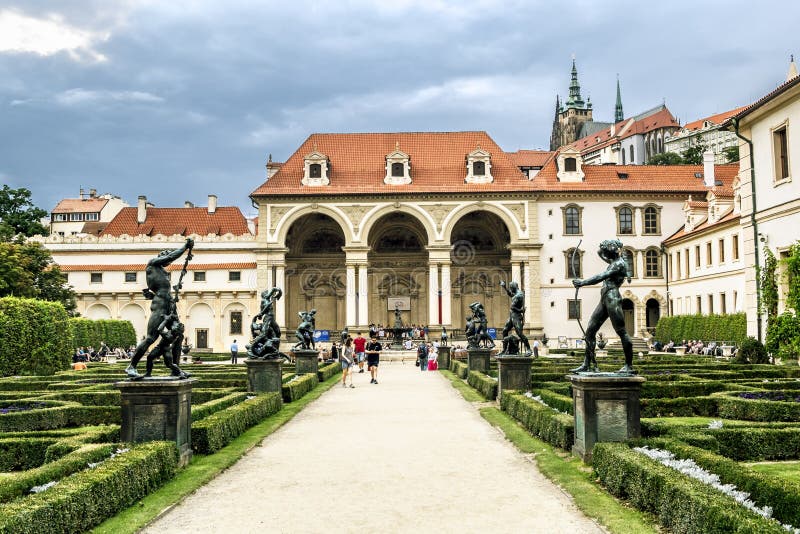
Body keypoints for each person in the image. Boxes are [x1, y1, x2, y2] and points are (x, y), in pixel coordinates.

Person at [126, 238, 194, 379]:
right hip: (160, 306)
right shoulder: (152, 264)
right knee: (151, 338)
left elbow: (169, 259)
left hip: (169, 305)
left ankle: (175, 369)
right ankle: (131, 366)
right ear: (160, 256)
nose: (168, 260)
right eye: (166, 256)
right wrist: (185, 247)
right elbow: (171, 256)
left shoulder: (162, 271)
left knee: (179, 335)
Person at [571, 239, 634, 374]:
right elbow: (600, 253)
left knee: (621, 332)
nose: (605, 254)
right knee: (590, 331)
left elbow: (601, 276)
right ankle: (586, 364)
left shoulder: (619, 265)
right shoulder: (613, 262)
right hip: (605, 298)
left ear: (613, 251)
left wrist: (582, 283)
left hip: (613, 298)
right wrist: (604, 246)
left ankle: (629, 365)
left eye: (607, 251)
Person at [499, 280, 532, 355]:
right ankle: (504, 350)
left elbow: (512, 307)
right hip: (512, 315)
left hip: (516, 316)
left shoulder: (519, 295)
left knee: (520, 333)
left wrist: (520, 310)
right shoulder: (517, 293)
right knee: (505, 330)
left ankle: (529, 349)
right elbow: (511, 294)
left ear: (513, 287)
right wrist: (504, 287)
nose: (510, 289)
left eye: (510, 288)